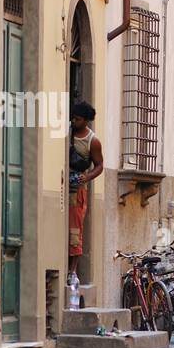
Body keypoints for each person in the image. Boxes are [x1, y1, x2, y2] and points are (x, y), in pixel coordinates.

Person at [68, 101, 104, 282]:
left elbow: (99, 166)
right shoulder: (67, 132)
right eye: (73, 117)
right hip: (64, 186)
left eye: (78, 119)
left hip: (78, 190)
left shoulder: (93, 141)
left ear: (86, 120)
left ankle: (72, 271)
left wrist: (86, 177)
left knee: (75, 231)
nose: (74, 121)